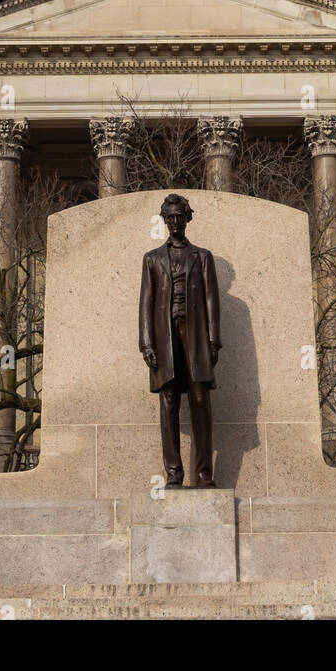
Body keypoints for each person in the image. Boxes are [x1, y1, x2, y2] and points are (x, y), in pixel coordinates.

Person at [139, 193, 221, 487]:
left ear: (187, 218)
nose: (175, 222)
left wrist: (213, 341)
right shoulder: (152, 259)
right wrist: (146, 343)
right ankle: (174, 472)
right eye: (170, 217)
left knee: (200, 399)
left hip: (196, 333)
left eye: (179, 216)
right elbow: (146, 303)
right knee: (169, 400)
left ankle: (203, 473)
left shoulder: (203, 257)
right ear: (164, 220)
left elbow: (212, 300)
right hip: (164, 336)